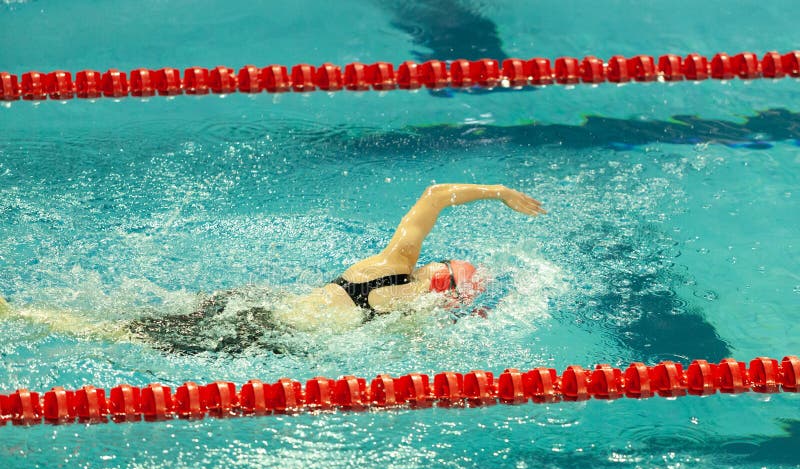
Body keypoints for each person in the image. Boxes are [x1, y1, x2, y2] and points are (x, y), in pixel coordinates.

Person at [0, 184, 545, 354]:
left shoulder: (394, 263)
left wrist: (497, 193)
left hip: (251, 312)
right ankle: (17, 314)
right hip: (259, 334)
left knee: (125, 324)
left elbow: (435, 195)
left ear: (439, 268)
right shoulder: (414, 322)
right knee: (119, 333)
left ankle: (17, 312)